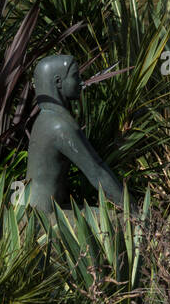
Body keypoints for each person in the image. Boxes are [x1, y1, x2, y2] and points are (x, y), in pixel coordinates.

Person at [26, 56, 129, 213]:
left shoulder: (46, 118)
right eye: (75, 76)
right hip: (43, 217)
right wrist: (136, 214)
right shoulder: (59, 125)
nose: (81, 82)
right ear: (58, 82)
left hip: (37, 209)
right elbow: (97, 171)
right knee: (120, 223)